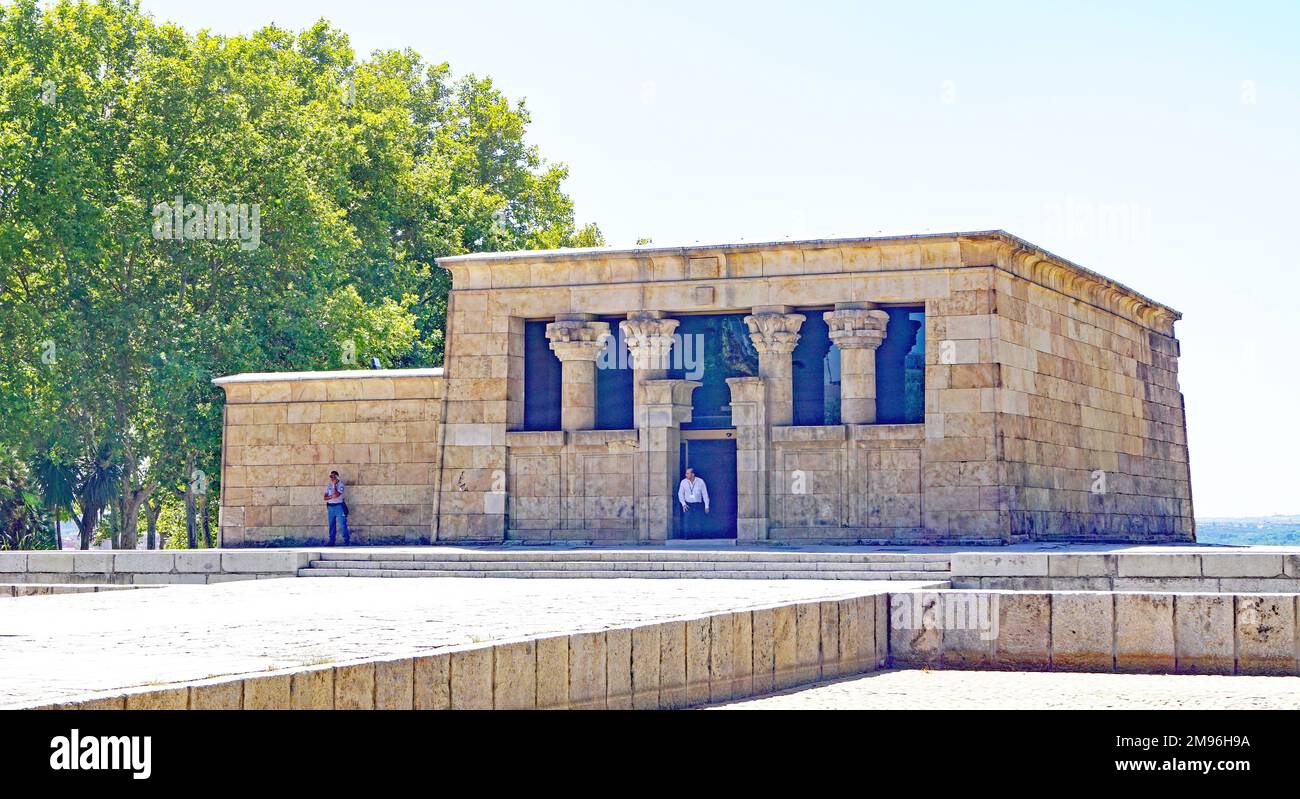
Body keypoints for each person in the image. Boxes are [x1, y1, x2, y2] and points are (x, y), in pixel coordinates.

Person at [677, 466, 710, 537]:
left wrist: (706, 506)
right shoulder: (683, 482)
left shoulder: (700, 481)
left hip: (698, 504)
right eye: (686, 473)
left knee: (698, 520)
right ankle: (687, 536)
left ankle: (698, 536)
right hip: (688, 504)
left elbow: (705, 494)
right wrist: (683, 504)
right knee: (687, 520)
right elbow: (680, 494)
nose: (686, 475)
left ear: (693, 474)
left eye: (687, 473)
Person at [324, 470, 350, 546]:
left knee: (343, 524)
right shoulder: (328, 486)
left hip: (339, 506)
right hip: (330, 506)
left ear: (337, 477)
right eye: (331, 476)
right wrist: (331, 497)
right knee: (331, 524)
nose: (332, 478)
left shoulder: (340, 485)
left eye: (334, 476)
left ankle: (346, 541)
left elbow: (336, 495)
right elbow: (325, 497)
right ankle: (332, 541)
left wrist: (334, 485)